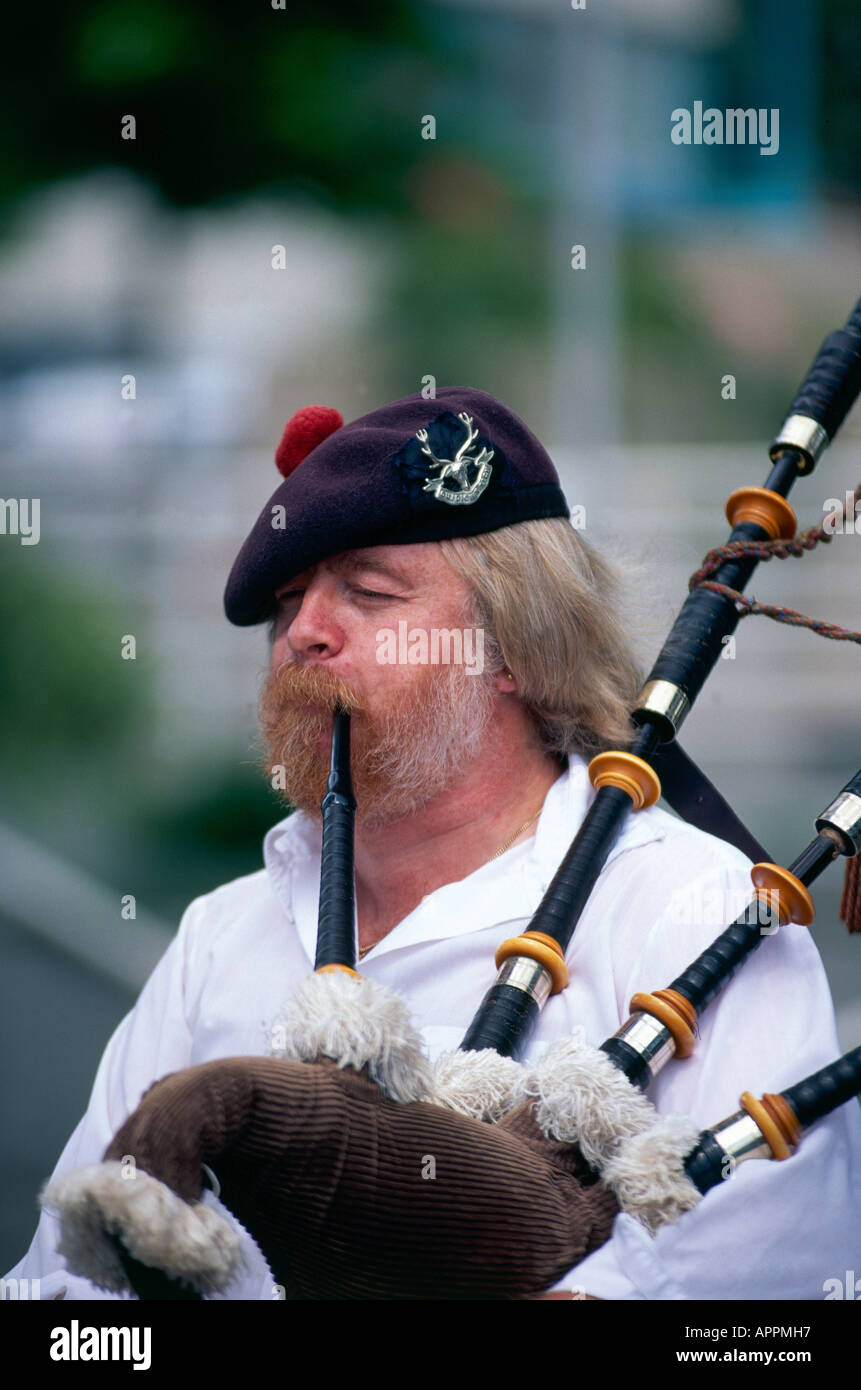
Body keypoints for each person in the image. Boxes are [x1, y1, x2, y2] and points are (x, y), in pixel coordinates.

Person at [7, 387, 859, 1300]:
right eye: (288, 603)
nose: (304, 632)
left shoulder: (688, 906)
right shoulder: (221, 936)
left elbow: (770, 1293)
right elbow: (65, 1283)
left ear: (517, 650)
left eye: (368, 593)